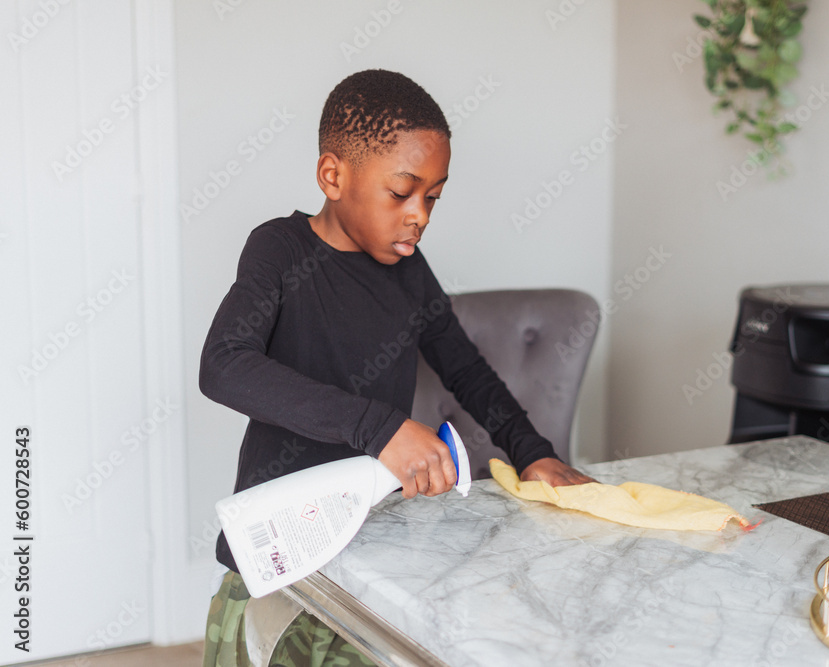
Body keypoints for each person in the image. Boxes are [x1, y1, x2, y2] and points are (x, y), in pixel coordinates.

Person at [200, 69, 594, 666]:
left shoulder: (409, 271)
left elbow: (467, 371)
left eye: (432, 197)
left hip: (372, 560)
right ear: (333, 176)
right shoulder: (280, 249)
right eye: (402, 193)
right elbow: (224, 365)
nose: (420, 216)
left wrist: (532, 452)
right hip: (276, 559)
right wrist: (381, 429)